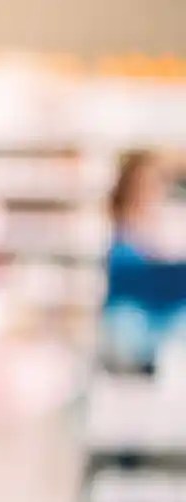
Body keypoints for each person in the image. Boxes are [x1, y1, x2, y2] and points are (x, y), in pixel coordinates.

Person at [103, 151, 186, 372]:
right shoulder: (116, 231)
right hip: (131, 326)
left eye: (153, 185)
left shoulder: (172, 224)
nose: (148, 193)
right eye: (141, 185)